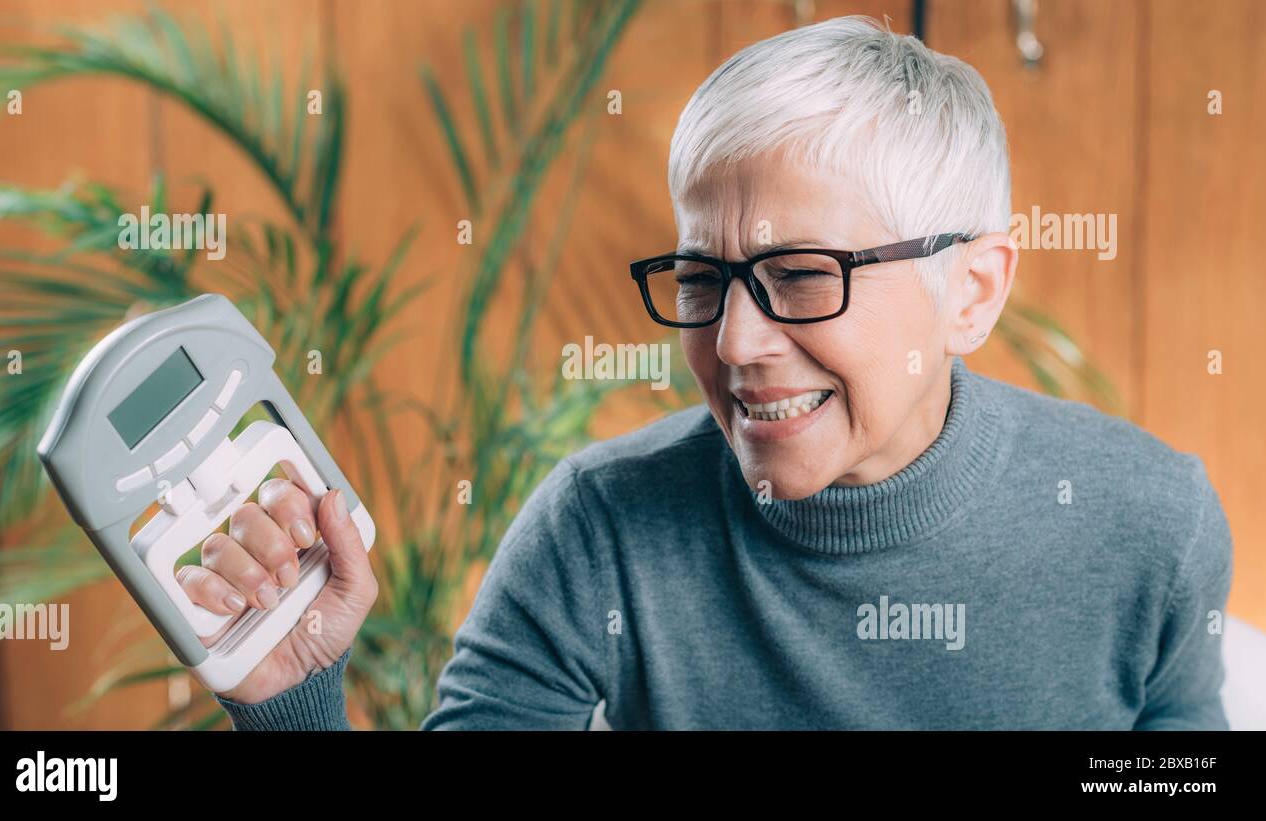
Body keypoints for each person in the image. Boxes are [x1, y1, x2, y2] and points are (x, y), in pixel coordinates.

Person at [191, 15, 1233, 730]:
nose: (734, 342)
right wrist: (297, 701)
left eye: (797, 274)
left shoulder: (1148, 521)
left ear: (970, 290)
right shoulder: (599, 525)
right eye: (704, 278)